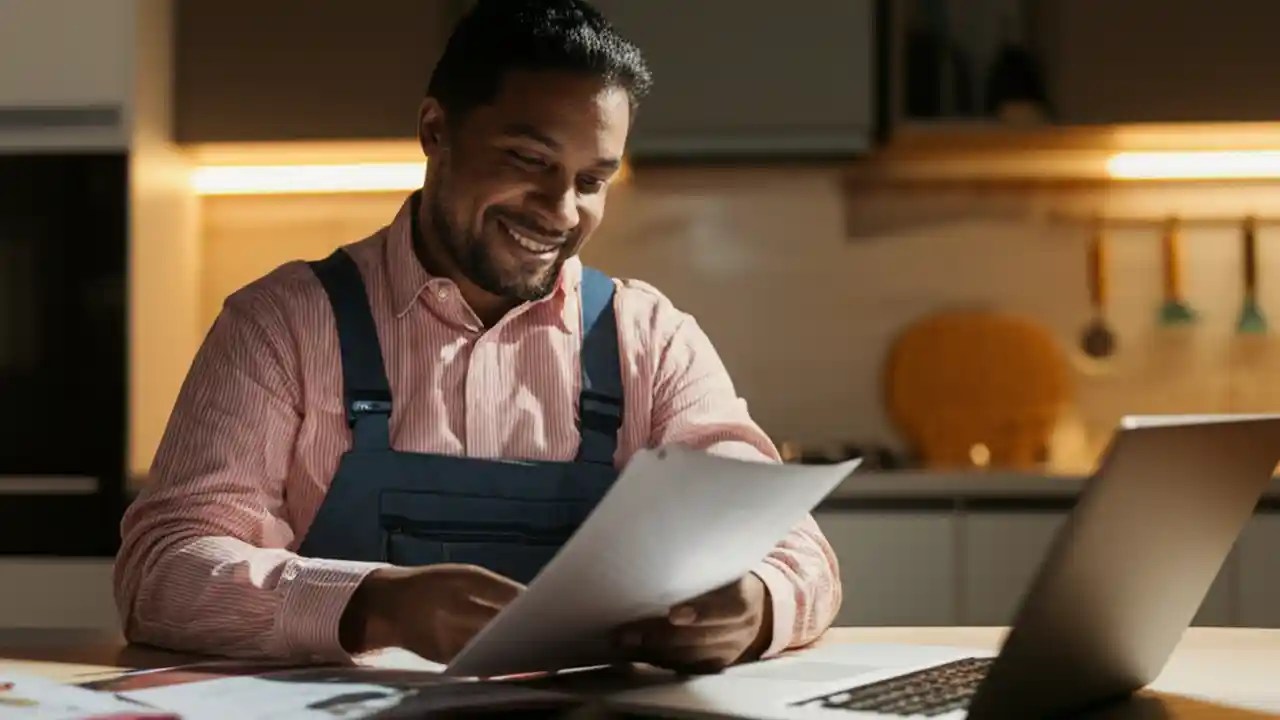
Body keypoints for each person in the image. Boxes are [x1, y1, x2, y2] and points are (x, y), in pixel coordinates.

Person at [115, 0, 841, 674]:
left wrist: (756, 604)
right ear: (436, 130)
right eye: (528, 161)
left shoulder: (650, 339)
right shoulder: (280, 326)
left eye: (591, 180)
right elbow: (163, 567)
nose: (560, 211)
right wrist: (376, 604)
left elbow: (794, 544)